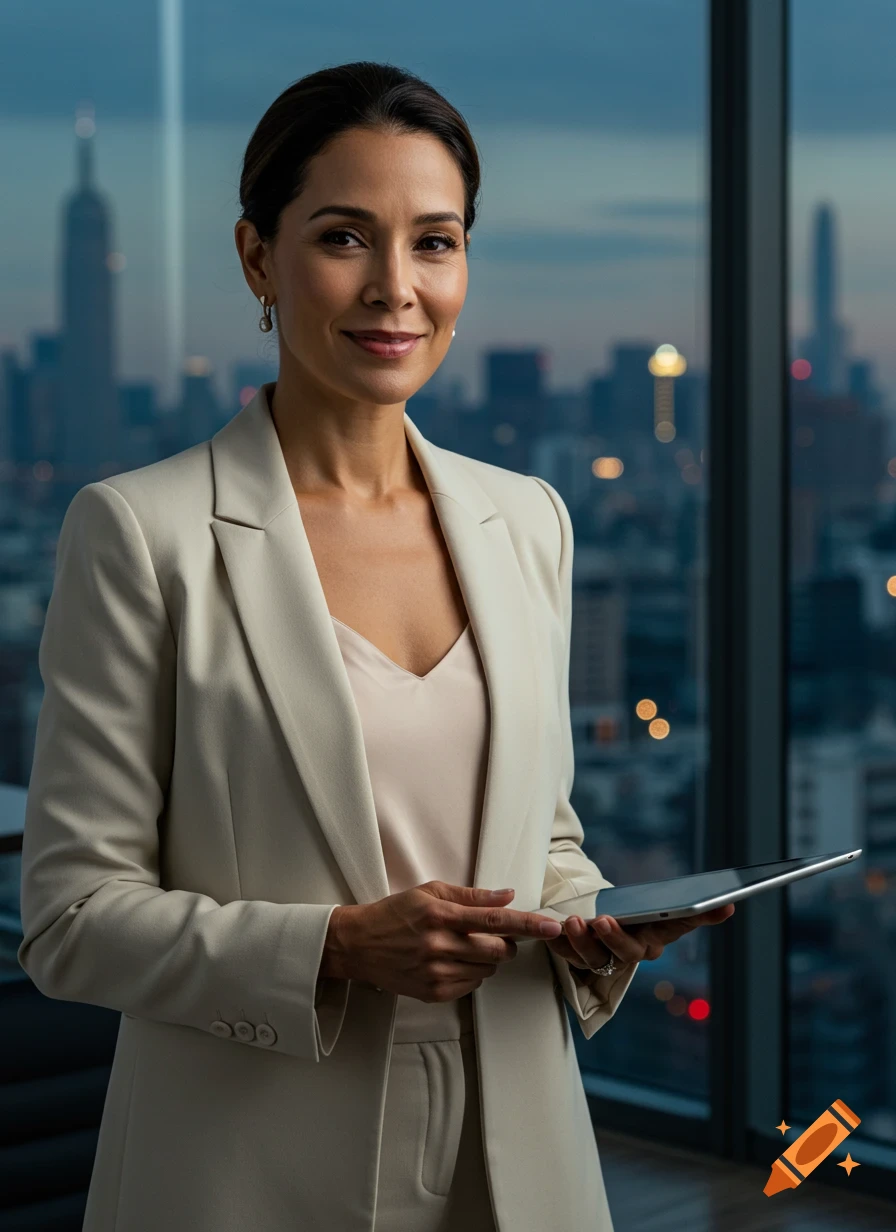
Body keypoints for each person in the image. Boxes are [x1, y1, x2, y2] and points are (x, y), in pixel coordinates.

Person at [17, 60, 734, 1232]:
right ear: (259, 257)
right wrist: (339, 946)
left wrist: (597, 918)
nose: (395, 289)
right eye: (344, 237)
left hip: (518, 1158)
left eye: (435, 242)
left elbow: (538, 835)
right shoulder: (140, 533)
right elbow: (68, 916)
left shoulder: (525, 520)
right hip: (249, 1167)